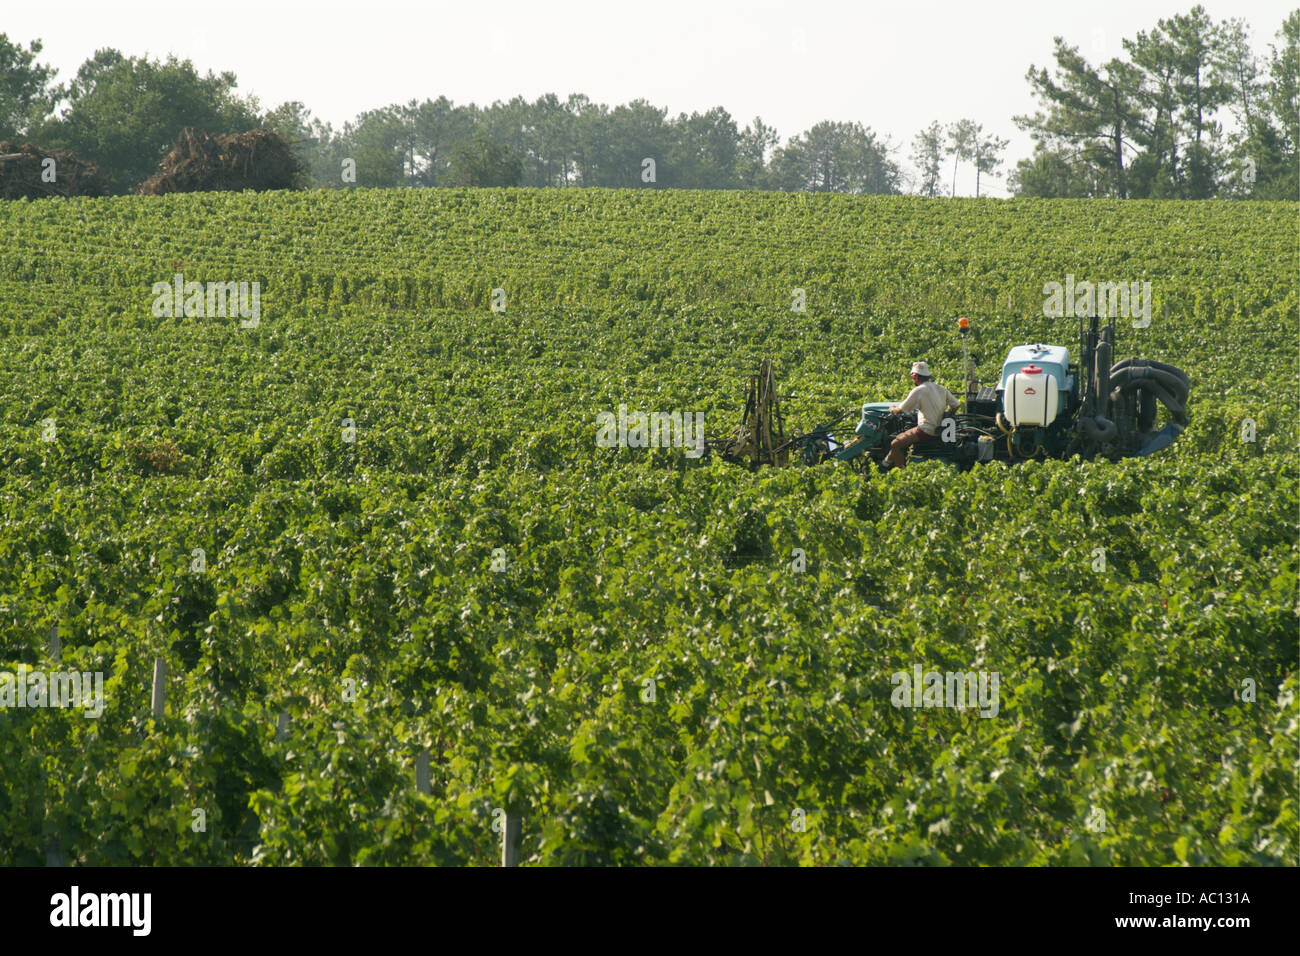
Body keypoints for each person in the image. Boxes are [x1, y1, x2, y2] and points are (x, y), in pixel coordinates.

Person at [881, 361, 959, 471]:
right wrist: (947, 414)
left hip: (926, 430)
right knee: (902, 437)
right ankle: (886, 462)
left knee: (895, 444)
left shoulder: (918, 390)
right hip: (939, 429)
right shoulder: (941, 388)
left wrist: (892, 409)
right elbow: (956, 404)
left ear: (916, 377)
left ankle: (901, 472)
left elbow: (900, 410)